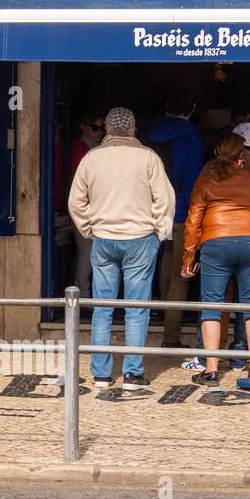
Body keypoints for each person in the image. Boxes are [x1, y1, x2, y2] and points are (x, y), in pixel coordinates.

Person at [68, 107, 175, 390]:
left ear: (107, 129)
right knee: (136, 309)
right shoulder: (148, 158)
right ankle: (132, 373)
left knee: (102, 308)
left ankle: (101, 374)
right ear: (133, 129)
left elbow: (75, 201)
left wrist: (88, 229)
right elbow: (164, 200)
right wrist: (160, 232)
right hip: (140, 238)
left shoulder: (92, 158)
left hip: (103, 238)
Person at [181, 132, 250, 387]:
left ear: (217, 153)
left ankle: (211, 369)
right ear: (243, 153)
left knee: (212, 306)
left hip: (216, 242)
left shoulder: (206, 180)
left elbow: (193, 220)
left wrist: (189, 257)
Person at [144, 86, 204, 348]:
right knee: (180, 273)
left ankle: (155, 317)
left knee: (160, 270)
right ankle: (170, 336)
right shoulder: (191, 138)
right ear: (192, 108)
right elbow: (192, 182)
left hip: (151, 211)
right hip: (180, 212)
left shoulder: (148, 133)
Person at [67, 110, 105, 298]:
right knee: (87, 254)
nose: (99, 132)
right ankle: (83, 295)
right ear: (83, 127)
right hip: (84, 208)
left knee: (83, 253)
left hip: (89, 208)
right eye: (95, 127)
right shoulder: (81, 150)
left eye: (102, 128)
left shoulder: (90, 149)